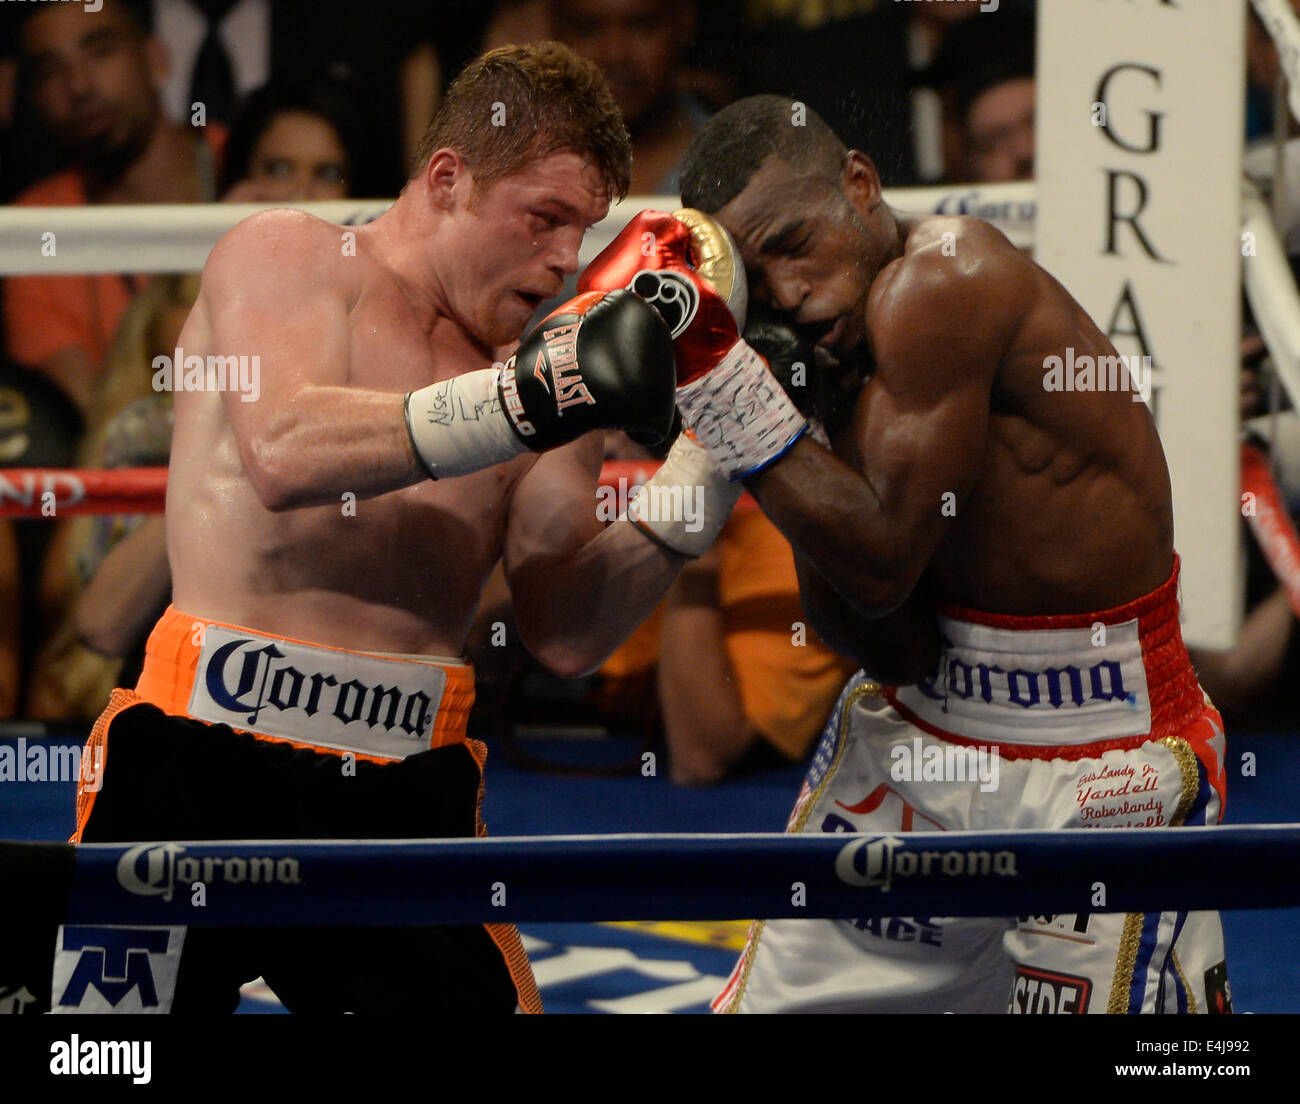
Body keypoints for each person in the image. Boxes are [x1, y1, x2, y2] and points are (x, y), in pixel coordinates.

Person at [43, 42, 741, 1015]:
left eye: (580, 232)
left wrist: (704, 479)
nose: (560, 260)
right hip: (198, 756)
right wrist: (524, 403)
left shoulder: (542, 365)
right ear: (448, 180)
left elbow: (566, 627)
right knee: (105, 1061)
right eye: (542, 218)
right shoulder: (290, 256)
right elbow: (284, 451)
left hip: (405, 790)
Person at [579, 94, 1232, 1014]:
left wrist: (728, 393)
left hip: (1100, 745)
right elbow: (891, 638)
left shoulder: (949, 278)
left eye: (796, 242)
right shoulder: (827, 346)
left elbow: (882, 559)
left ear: (860, 186)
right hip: (920, 730)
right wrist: (804, 411)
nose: (789, 291)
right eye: (755, 277)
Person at [4, 0, 226, 415]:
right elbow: (97, 435)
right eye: (51, 71)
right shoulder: (34, 229)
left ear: (156, 58)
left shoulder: (252, 164)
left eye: (101, 50)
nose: (79, 85)